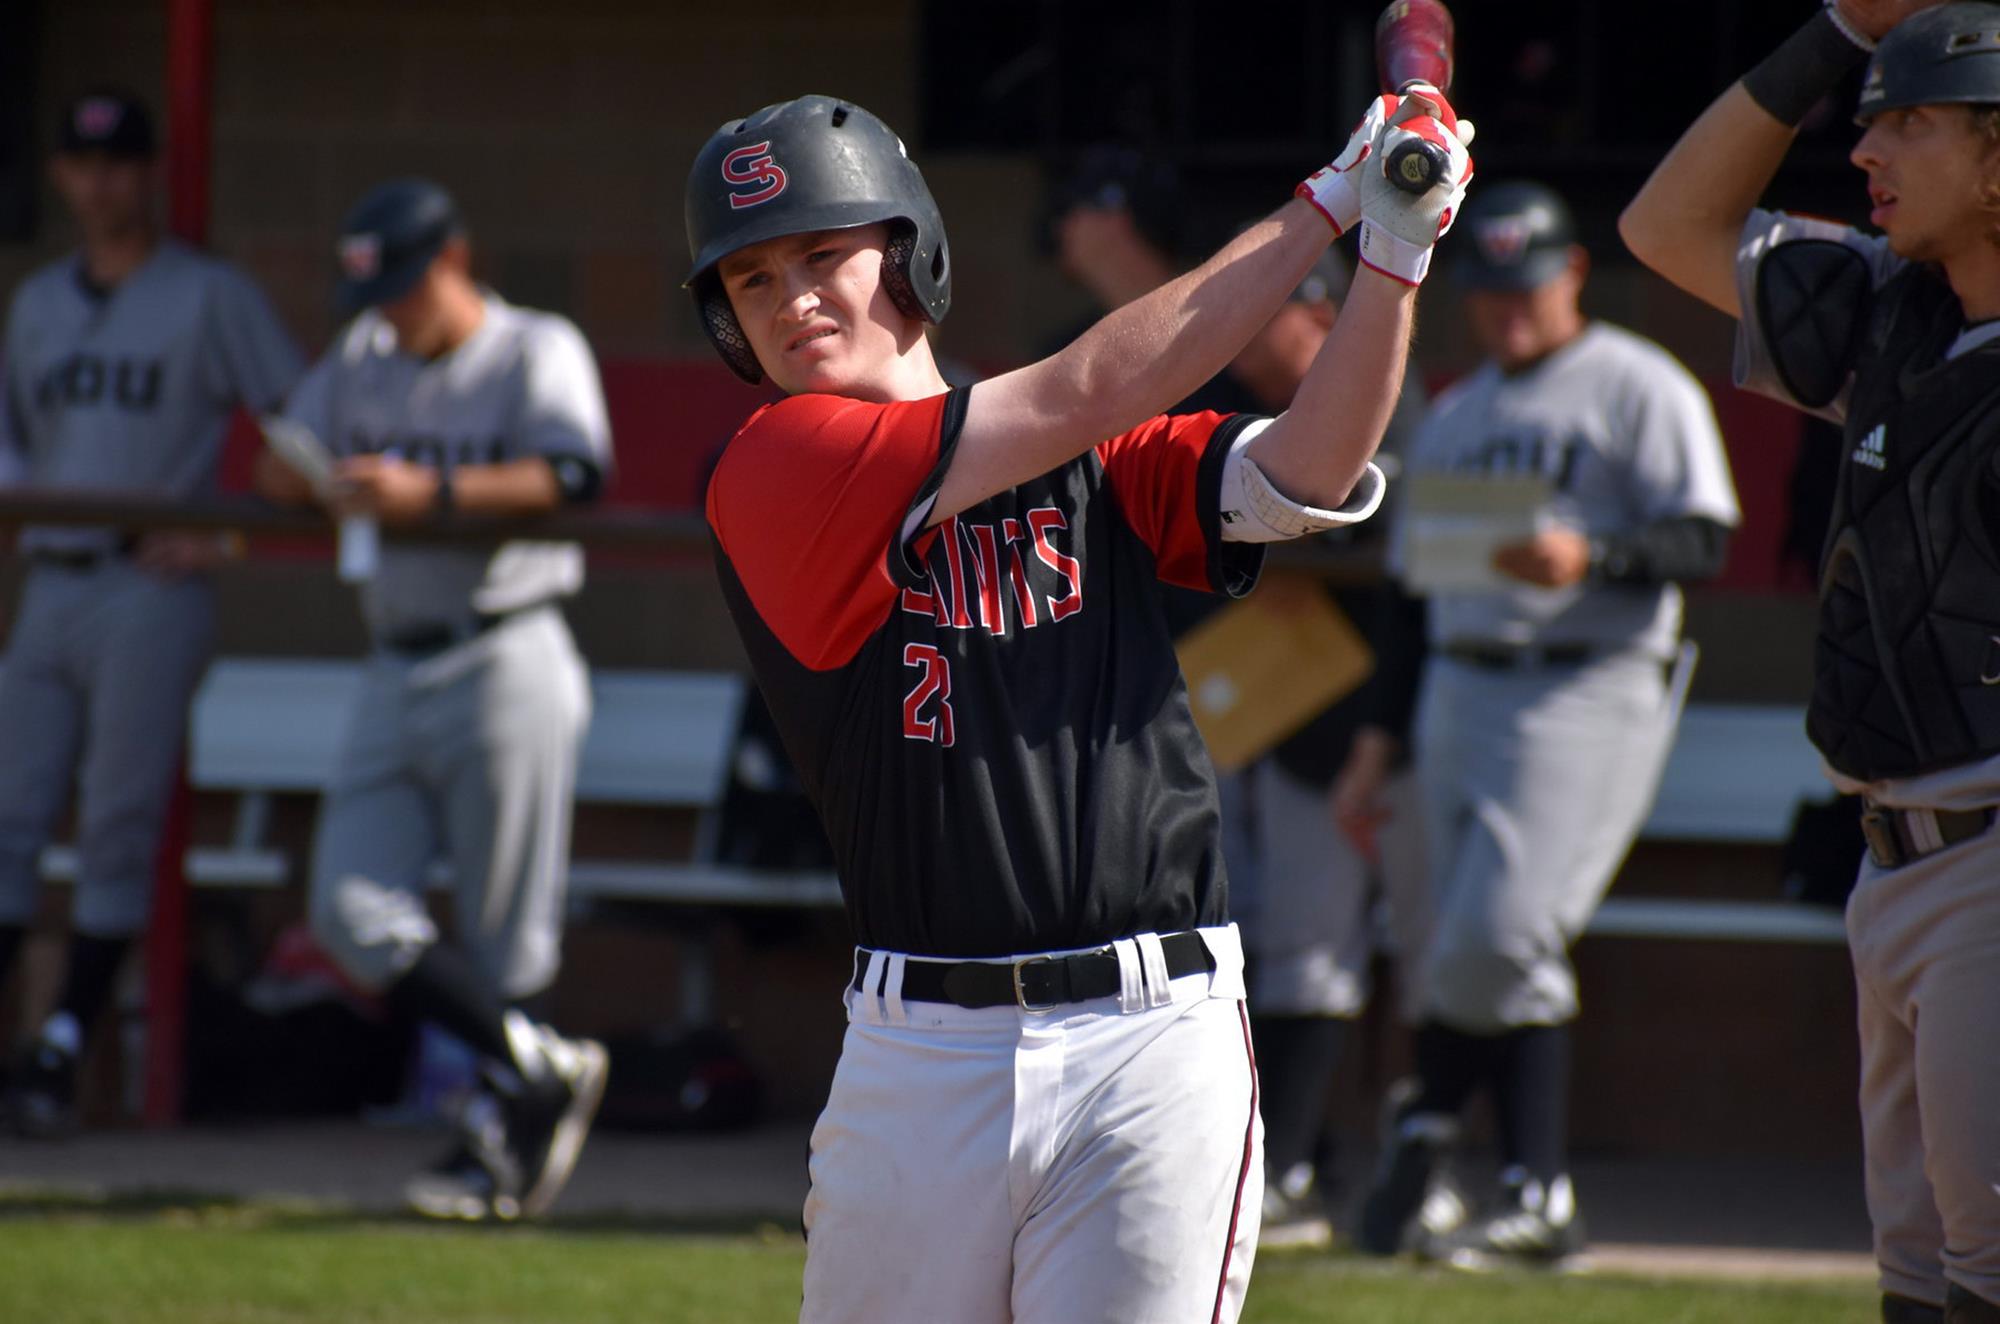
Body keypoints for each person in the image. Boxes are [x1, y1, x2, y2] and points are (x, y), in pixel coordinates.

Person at [687, 88, 1470, 1322]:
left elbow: (1306, 466)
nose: (790, 300)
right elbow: (1078, 390)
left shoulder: (1084, 446)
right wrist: (1325, 200)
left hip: (1148, 1034)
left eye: (821, 256)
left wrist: (1391, 257)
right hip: (919, 1047)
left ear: (908, 254)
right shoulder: (773, 464)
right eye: (750, 281)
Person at [1620, 3, 2000, 1318]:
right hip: (1890, 862)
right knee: (1913, 1277)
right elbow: (1664, 225)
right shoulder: (1893, 312)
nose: (1868, 147)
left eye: (1912, 120)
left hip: (1993, 855)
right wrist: (1839, 31)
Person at [1336, 180, 1740, 1269]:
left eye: (1527, 283)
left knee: (1502, 931)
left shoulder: (1634, 383)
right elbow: (1411, 595)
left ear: (1569, 273)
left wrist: (1595, 556)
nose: (1508, 307)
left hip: (1584, 680)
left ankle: (1426, 1126)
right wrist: (1376, 743)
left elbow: (1703, 542)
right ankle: (1531, 1193)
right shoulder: (1459, 408)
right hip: (1458, 685)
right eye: (1490, 289)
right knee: (1468, 947)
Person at [256, 178, 611, 1222]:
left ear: (454, 258)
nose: (394, 307)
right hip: (391, 654)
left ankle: (497, 1147)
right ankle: (537, 1071)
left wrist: (432, 496)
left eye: (408, 284)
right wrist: (316, 481)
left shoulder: (532, 345)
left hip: (505, 644)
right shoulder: (362, 351)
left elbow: (575, 475)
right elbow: (282, 454)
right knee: (347, 904)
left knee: (509, 934)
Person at [0, 89, 302, 1135]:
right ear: (60, 176)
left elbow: (303, 430)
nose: (103, 184)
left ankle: (59, 1048)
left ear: (148, 174)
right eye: (85, 165)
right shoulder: (37, 303)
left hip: (148, 583)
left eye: (122, 163)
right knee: (10, 811)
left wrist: (229, 531)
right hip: (49, 580)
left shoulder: (207, 293)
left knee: (118, 824)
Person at [1219, 248, 1435, 1250]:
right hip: (1244, 703)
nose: (1245, 347)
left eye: (1263, 320)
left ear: (1312, 312)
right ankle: (1253, 1160)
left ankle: (1292, 1164)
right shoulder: (1231, 400)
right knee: (1239, 938)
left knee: (1312, 947)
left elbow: (1404, 569)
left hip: (1349, 726)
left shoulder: (1391, 398)